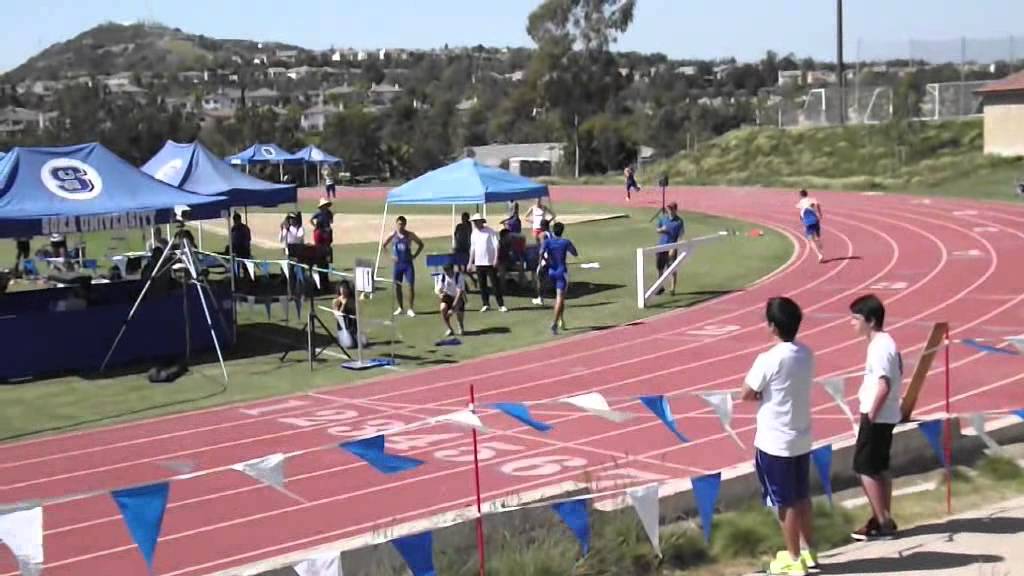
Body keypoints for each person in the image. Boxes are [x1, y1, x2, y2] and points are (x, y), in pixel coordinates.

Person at [741, 297, 817, 576]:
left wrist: (763, 394)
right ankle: (809, 551)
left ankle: (793, 559)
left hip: (775, 442)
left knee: (784, 503)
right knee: (802, 496)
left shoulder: (768, 359)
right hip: (801, 437)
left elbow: (746, 393)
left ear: (772, 326)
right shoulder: (806, 353)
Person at [849, 294, 903, 541]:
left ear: (870, 321)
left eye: (856, 318)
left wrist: (870, 415)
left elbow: (884, 385)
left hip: (878, 415)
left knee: (865, 468)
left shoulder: (880, 347)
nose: (852, 323)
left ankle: (882, 523)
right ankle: (882, 518)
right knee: (879, 467)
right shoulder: (885, 343)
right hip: (886, 414)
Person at [382, 216, 424, 317]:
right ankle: (400, 307)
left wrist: (414, 255)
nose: (401, 226)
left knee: (410, 285)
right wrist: (390, 256)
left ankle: (410, 308)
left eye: (402, 224)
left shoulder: (410, 235)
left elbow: (421, 244)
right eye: (399, 224)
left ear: (405, 224)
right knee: (397, 286)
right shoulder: (393, 235)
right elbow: (384, 245)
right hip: (398, 264)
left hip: (407, 264)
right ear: (396, 224)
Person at [540, 221, 578, 335]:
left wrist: (544, 262)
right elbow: (575, 253)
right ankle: (555, 323)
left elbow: (541, 253)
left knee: (560, 298)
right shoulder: (565, 242)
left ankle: (561, 320)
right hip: (562, 272)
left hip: (551, 271)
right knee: (560, 298)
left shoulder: (548, 242)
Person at [467, 213, 507, 312]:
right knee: (482, 285)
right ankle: (485, 304)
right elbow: (472, 248)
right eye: (474, 222)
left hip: (489, 263)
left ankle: (501, 304)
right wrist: (470, 262)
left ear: (481, 222)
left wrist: (496, 259)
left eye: (476, 222)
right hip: (479, 263)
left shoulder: (490, 231)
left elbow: (496, 245)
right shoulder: (474, 233)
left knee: (495, 284)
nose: (475, 224)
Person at [655, 201, 685, 295]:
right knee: (660, 267)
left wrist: (675, 247)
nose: (670, 211)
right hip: (661, 246)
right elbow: (657, 229)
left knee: (671, 268)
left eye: (671, 209)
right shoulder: (664, 218)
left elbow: (681, 234)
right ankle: (660, 287)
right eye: (669, 209)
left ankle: (672, 288)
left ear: (676, 210)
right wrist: (661, 230)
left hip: (672, 246)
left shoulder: (679, 221)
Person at [332, 280, 366, 349]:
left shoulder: (352, 300)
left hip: (352, 325)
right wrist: (343, 304)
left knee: (360, 343)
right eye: (342, 288)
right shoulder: (336, 301)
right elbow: (337, 315)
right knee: (349, 344)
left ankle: (354, 336)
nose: (343, 290)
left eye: (345, 288)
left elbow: (356, 312)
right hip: (342, 325)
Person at [436, 262, 466, 337]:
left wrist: (453, 308)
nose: (446, 272)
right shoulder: (442, 276)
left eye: (447, 270)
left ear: (452, 269)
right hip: (447, 296)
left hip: (457, 297)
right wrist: (440, 294)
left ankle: (460, 326)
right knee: (443, 308)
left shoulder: (459, 276)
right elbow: (439, 289)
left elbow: (459, 292)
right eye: (445, 270)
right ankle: (450, 329)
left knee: (459, 316)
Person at [796, 189, 825, 263]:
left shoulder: (801, 202)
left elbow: (798, 208)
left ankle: (819, 255)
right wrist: (820, 213)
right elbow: (817, 204)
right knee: (817, 238)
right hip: (815, 219)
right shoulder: (812, 199)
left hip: (808, 222)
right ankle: (820, 247)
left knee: (811, 240)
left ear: (800, 195)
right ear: (807, 194)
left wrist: (802, 220)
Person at [532, 219, 551, 306]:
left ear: (543, 226)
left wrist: (540, 262)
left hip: (544, 259)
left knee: (539, 278)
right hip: (552, 258)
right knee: (547, 278)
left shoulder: (542, 235)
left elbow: (542, 248)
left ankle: (540, 298)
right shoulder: (552, 234)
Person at [310, 199, 334, 263]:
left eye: (326, 205)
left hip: (326, 231)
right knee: (318, 246)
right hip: (319, 231)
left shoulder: (329, 213)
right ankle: (319, 260)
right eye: (324, 205)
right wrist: (315, 226)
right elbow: (311, 220)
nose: (325, 207)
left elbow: (331, 222)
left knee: (327, 246)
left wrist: (331, 218)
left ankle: (327, 260)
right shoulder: (318, 213)